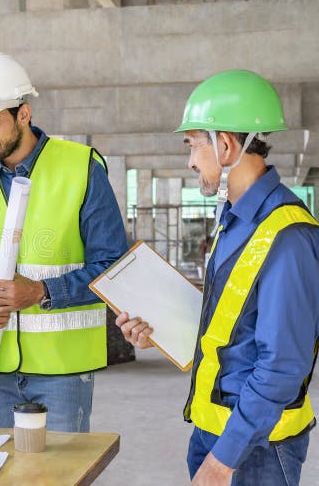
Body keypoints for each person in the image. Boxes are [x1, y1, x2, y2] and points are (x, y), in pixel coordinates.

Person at [117, 70, 319, 485]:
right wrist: (159, 329)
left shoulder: (289, 235)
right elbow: (230, 327)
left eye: (193, 144)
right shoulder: (235, 222)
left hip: (257, 448)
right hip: (213, 429)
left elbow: (283, 365)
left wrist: (224, 458)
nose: (190, 160)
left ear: (225, 144)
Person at [0, 52, 127, 432]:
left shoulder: (82, 168)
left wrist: (41, 291)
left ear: (24, 114)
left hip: (64, 371)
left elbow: (113, 268)